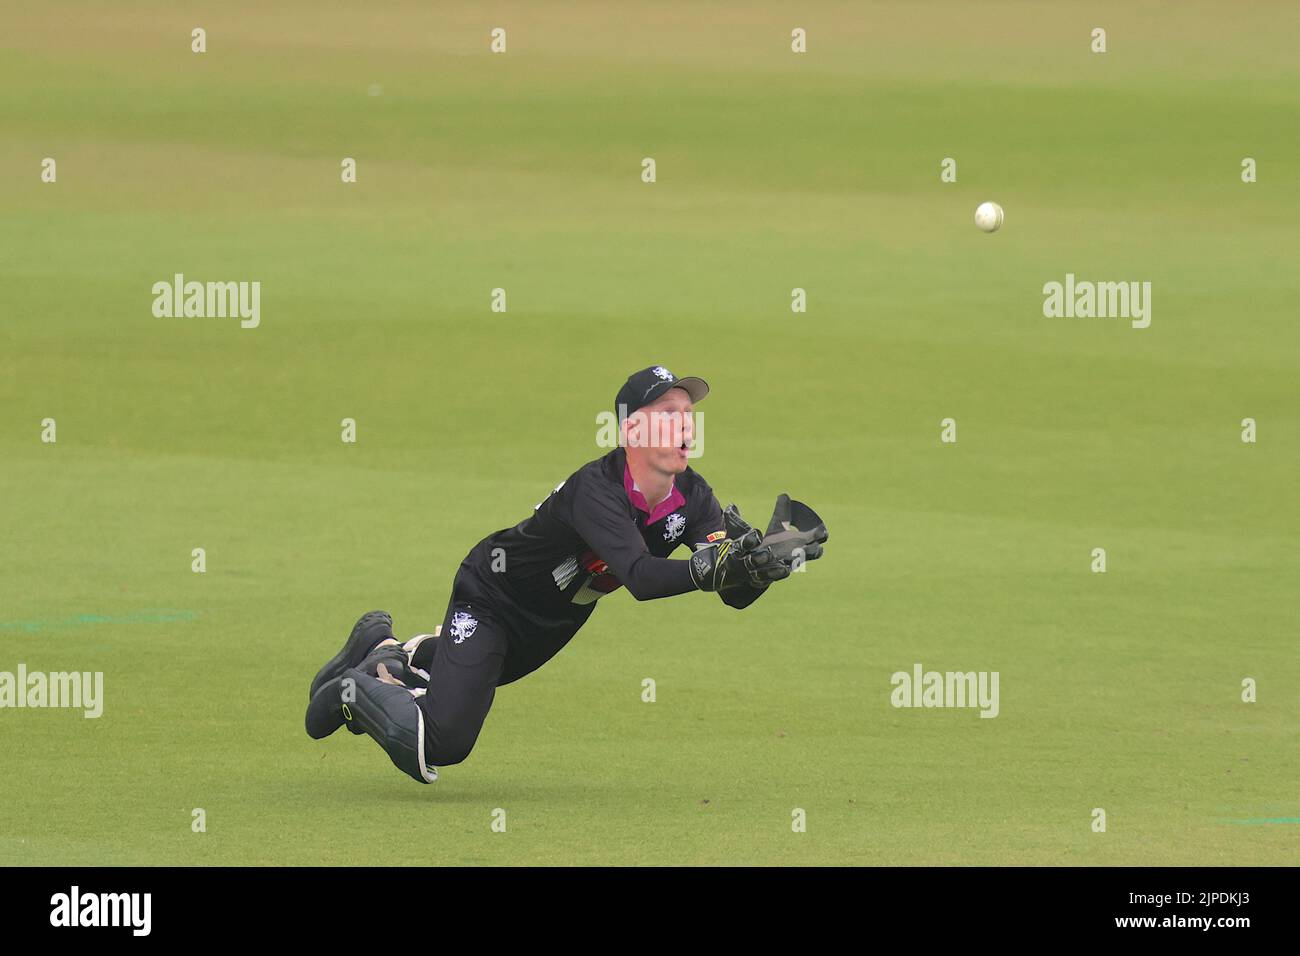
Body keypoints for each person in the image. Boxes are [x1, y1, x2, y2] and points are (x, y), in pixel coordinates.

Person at [304, 365, 827, 783]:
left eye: (689, 414)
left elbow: (729, 590)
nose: (686, 424)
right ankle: (357, 687)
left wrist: (764, 565)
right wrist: (712, 568)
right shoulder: (596, 490)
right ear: (630, 430)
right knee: (441, 742)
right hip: (491, 596)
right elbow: (642, 579)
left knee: (459, 680)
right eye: (668, 413)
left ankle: (389, 651)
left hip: (553, 623)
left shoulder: (693, 497)